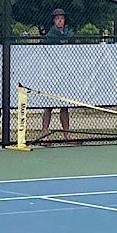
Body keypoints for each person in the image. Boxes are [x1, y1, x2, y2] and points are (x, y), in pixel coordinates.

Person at [41, 8, 77, 145]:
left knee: (64, 105)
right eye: (57, 18)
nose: (60, 21)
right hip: (52, 75)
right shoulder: (49, 37)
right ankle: (45, 134)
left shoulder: (69, 36)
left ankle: (67, 134)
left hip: (65, 75)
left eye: (62, 18)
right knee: (49, 105)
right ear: (54, 21)